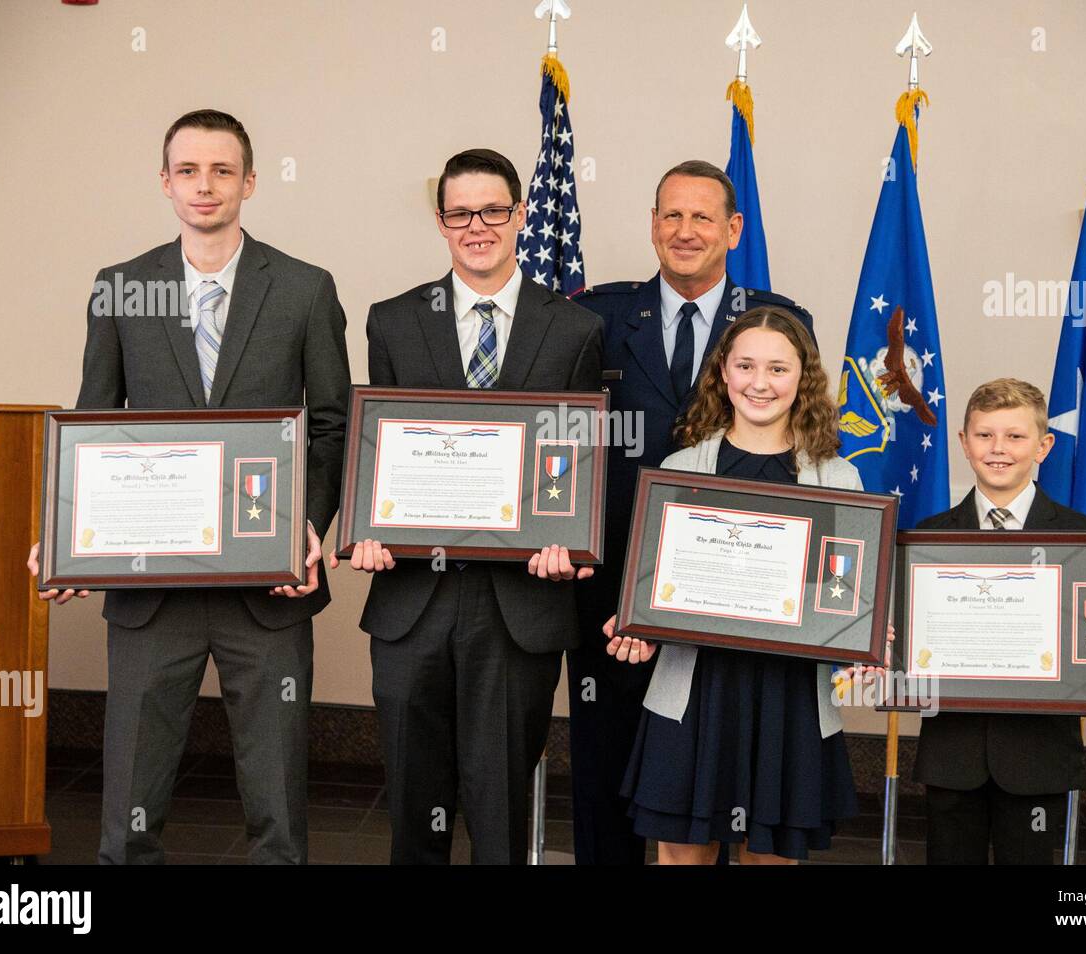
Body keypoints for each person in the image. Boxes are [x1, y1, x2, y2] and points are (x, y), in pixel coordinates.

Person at [26, 109, 351, 863]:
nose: (205, 185)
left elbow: (331, 425)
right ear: (165, 182)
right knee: (130, 813)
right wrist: (65, 531)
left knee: (277, 816)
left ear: (250, 182)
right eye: (188, 170)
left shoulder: (304, 289)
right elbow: (94, 424)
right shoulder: (120, 287)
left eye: (222, 170)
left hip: (267, 591)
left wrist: (307, 524)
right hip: (151, 592)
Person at [335, 148, 603, 864]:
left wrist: (566, 540)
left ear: (519, 214)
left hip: (520, 608)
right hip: (411, 601)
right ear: (441, 221)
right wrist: (367, 530)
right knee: (414, 816)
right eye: (460, 213)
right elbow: (380, 449)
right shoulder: (392, 321)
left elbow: (575, 462)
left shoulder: (575, 328)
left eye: (493, 210)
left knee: (500, 815)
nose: (477, 226)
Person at [568, 160, 817, 864]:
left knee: (713, 789)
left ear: (733, 229)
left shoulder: (781, 322)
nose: (685, 231)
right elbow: (565, 441)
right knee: (605, 780)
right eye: (671, 216)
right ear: (652, 225)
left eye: (702, 217)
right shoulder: (596, 316)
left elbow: (801, 467)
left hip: (728, 608)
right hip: (614, 596)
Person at [603, 306, 875, 864]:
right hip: (695, 690)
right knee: (681, 856)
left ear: (804, 378)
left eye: (778, 368)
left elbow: (848, 598)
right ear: (722, 372)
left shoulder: (841, 480)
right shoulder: (678, 469)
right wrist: (636, 622)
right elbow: (655, 585)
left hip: (790, 698)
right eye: (746, 365)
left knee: (770, 857)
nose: (759, 383)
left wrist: (869, 632)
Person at [913, 378, 1086, 864]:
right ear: (963, 443)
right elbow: (908, 638)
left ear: (1044, 446)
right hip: (952, 754)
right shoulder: (928, 535)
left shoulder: (1082, 535)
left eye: (1015, 436)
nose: (999, 449)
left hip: (1038, 756)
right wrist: (887, 647)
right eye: (985, 436)